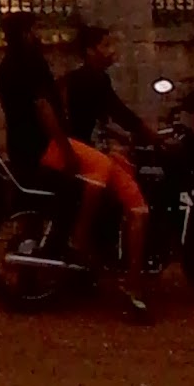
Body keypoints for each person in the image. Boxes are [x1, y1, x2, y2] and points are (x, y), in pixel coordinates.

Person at [0, 12, 106, 275]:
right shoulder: (31, 62)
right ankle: (69, 246)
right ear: (24, 34)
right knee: (81, 187)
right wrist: (65, 147)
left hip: (19, 146)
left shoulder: (6, 65)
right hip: (41, 146)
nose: (39, 35)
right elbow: (42, 106)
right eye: (35, 29)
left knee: (42, 203)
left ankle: (34, 265)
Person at [64, 24, 153, 316]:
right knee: (138, 210)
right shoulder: (95, 80)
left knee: (126, 165)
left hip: (82, 148)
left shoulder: (80, 79)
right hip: (87, 154)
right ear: (91, 51)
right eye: (106, 45)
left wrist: (124, 137)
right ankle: (133, 285)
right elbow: (119, 112)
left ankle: (99, 252)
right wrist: (152, 135)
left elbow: (101, 117)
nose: (112, 51)